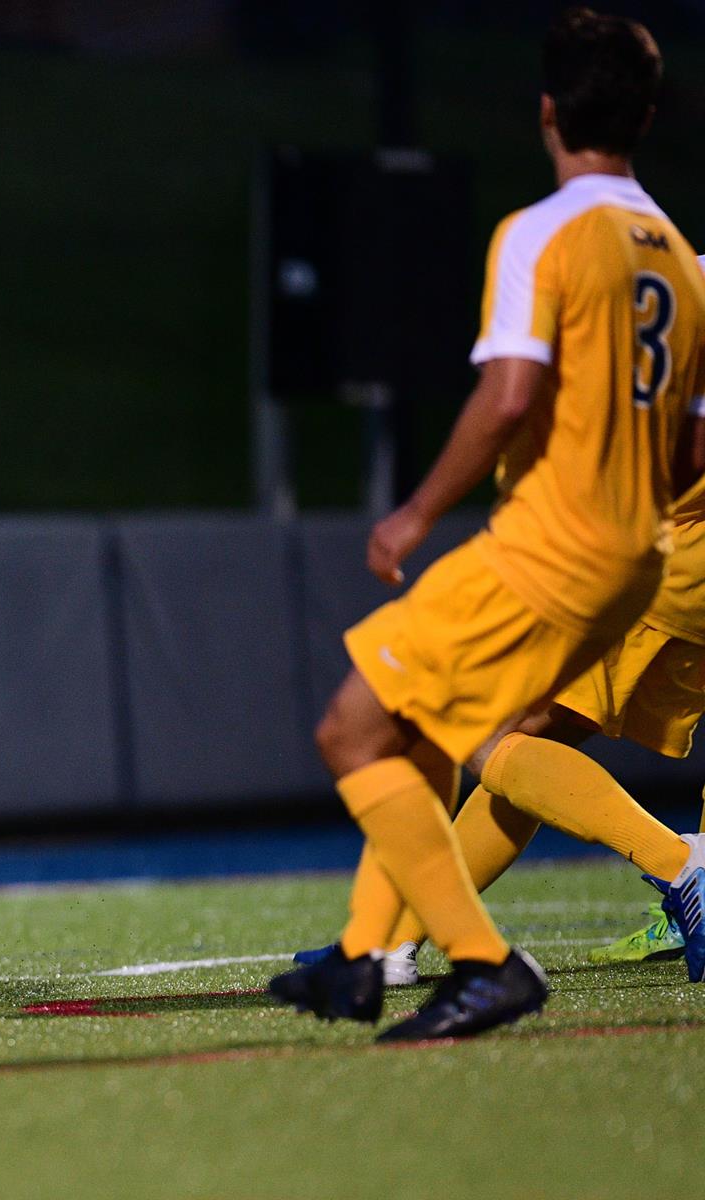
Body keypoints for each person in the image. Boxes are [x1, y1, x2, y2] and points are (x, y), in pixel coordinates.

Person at [268, 7, 705, 1042]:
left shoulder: (542, 232)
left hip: (558, 545)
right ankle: (375, 948)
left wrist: (415, 512)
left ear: (546, 113)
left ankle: (643, 888)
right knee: (449, 724)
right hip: (648, 555)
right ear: (645, 116)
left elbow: (508, 396)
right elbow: (690, 450)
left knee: (364, 724)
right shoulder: (685, 263)